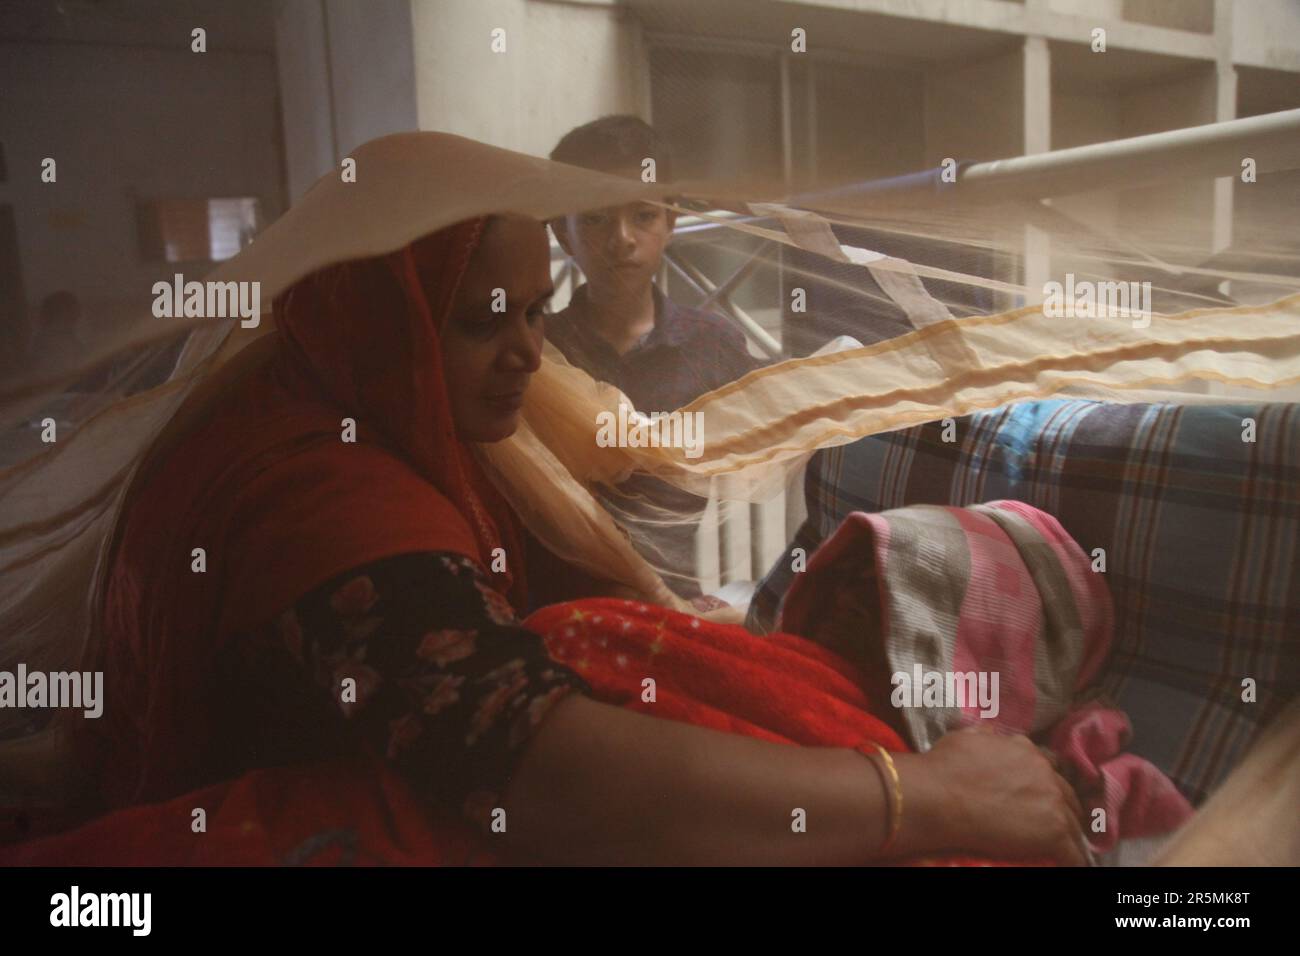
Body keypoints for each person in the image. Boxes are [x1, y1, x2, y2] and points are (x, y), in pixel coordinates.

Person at [77, 214, 1087, 866]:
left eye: (534, 311)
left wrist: (696, 641)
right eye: (483, 320)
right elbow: (541, 768)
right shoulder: (324, 493)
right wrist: (922, 797)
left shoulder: (374, 416)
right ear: (382, 321)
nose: (528, 350)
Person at [547, 116, 767, 597]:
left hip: (683, 603)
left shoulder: (713, 346)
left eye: (643, 216)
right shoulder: (541, 353)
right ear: (562, 233)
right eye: (595, 218)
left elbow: (764, 462)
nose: (622, 238)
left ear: (670, 222)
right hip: (566, 602)